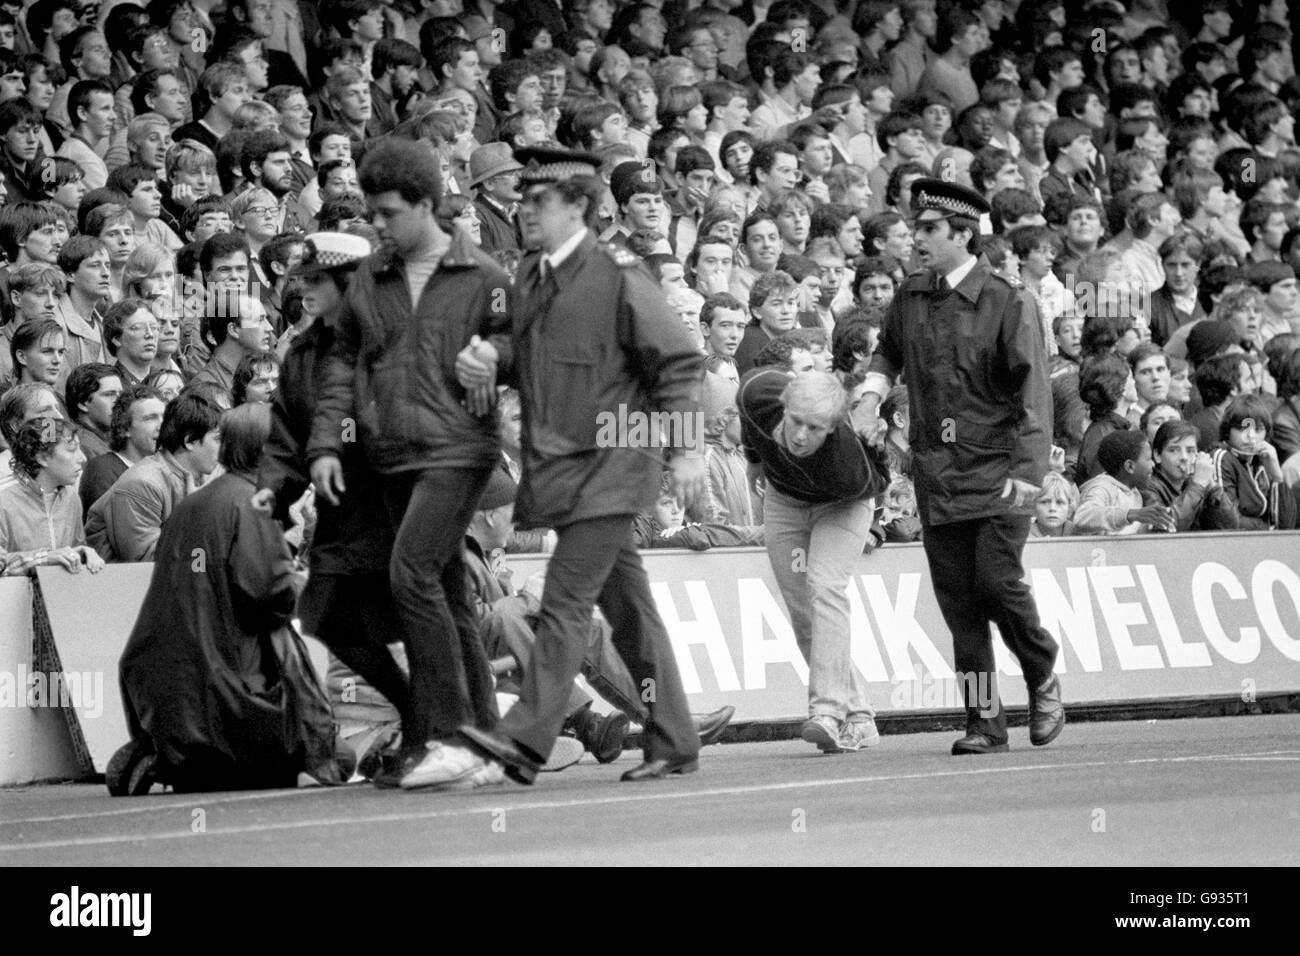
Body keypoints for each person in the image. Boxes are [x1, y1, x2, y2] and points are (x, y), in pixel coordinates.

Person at [456, 145, 708, 785]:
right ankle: (674, 735)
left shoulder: (619, 273)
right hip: (566, 468)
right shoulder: (534, 274)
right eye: (522, 199)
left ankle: (528, 736)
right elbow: (532, 353)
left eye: (539, 200)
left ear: (580, 207)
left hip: (616, 463)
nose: (524, 209)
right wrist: (492, 355)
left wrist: (685, 450)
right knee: (629, 610)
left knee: (566, 601)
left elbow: (678, 361)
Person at [308, 138, 512, 792]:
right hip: (392, 454)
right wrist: (324, 444)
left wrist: (494, 359)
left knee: (411, 574)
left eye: (389, 212)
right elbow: (342, 358)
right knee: (445, 591)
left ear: (427, 205)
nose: (377, 225)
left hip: (459, 451)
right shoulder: (371, 276)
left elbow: (522, 345)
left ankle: (454, 737)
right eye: (371, 213)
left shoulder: (483, 276)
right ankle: (487, 740)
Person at [858, 178, 1064, 756]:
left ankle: (1040, 670)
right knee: (960, 605)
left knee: (998, 584)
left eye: (927, 230)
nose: (915, 238)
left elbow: (1035, 394)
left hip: (1001, 473)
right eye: (915, 228)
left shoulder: (1009, 300)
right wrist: (872, 394)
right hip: (938, 475)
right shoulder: (911, 294)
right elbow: (889, 351)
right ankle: (984, 723)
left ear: (962, 234)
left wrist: (1029, 472)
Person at [109, 403, 347, 795]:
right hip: (228, 689)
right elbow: (267, 594)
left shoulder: (192, 503)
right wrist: (306, 576)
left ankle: (170, 758)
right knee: (337, 756)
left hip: (164, 684)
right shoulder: (254, 503)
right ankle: (236, 764)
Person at [253, 231, 417, 788]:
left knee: (425, 619)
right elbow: (287, 436)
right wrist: (273, 492)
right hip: (342, 512)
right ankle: (419, 714)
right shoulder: (300, 353)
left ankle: (444, 729)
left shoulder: (387, 340)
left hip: (396, 502)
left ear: (349, 283)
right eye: (300, 281)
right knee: (328, 616)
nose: (304, 291)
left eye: (317, 280)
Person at [738, 365, 889, 752]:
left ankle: (827, 713)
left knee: (824, 587)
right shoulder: (759, 392)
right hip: (785, 500)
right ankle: (860, 718)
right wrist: (755, 458)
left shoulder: (848, 463)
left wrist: (872, 524)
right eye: (796, 422)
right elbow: (747, 413)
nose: (802, 436)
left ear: (834, 428)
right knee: (802, 610)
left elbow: (875, 490)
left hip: (843, 505)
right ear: (783, 406)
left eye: (816, 429)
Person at [84, 391, 222, 561]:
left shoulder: (204, 476)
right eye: (217, 439)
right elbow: (148, 562)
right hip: (120, 584)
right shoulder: (142, 484)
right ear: (189, 441)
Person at [0, 415, 103, 577]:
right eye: (72, 449)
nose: (82, 458)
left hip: (57, 597)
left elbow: (67, 555)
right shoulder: (3, 498)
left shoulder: (71, 497)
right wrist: (43, 559)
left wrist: (81, 554)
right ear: (42, 457)